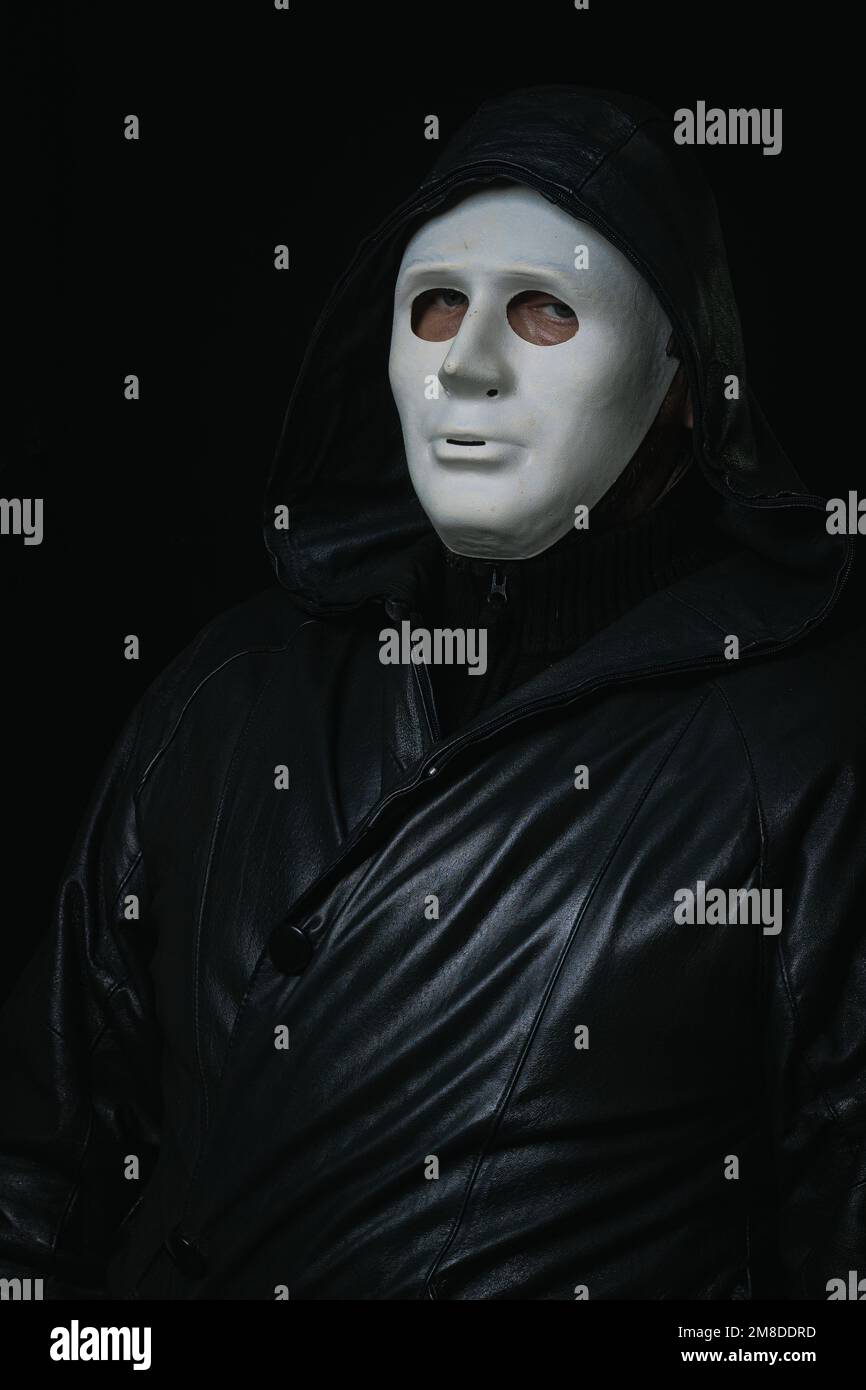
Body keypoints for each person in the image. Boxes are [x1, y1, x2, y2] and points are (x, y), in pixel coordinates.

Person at [1, 85, 863, 1301]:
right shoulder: (233, 690)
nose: (467, 362)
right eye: (436, 304)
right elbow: (39, 1153)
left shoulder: (804, 751)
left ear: (679, 376)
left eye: (544, 311)